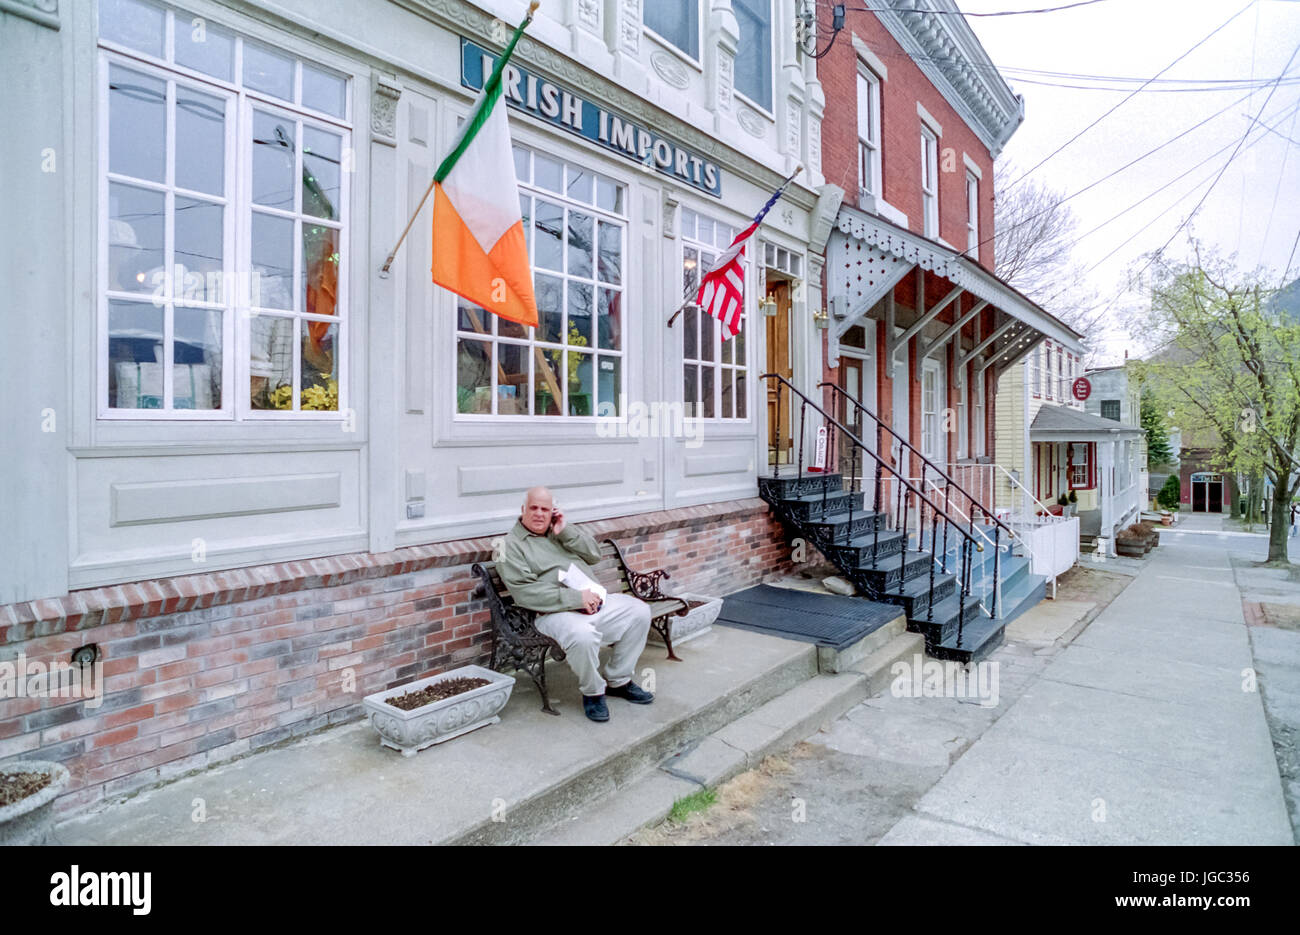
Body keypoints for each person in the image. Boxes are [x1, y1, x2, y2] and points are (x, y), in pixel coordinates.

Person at [496, 486, 654, 722]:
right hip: (552, 613)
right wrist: (575, 599)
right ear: (523, 510)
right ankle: (593, 692)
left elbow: (594, 555)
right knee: (583, 635)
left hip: (592, 603)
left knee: (640, 611)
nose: (539, 514)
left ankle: (619, 680)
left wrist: (565, 530)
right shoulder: (507, 545)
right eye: (534, 508)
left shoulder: (559, 533)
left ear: (553, 512)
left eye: (545, 509)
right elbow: (525, 593)